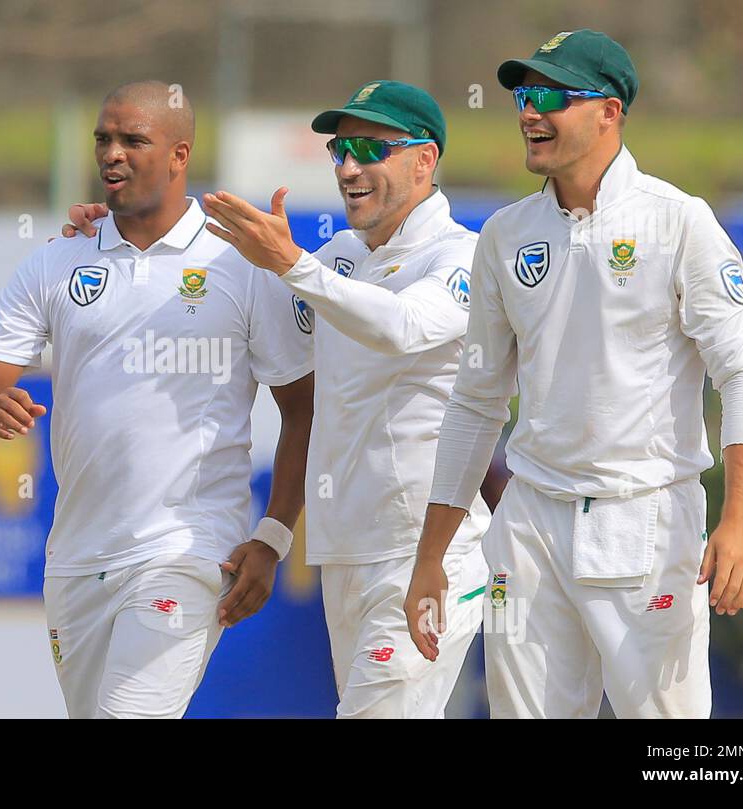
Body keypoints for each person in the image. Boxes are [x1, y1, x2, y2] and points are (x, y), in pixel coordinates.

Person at [66, 81, 491, 718]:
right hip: (344, 554)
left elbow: (401, 327)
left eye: (371, 149)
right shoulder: (340, 257)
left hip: (428, 556)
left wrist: (291, 263)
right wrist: (117, 226)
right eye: (340, 149)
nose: (349, 166)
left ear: (424, 160)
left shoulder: (461, 256)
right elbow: (248, 309)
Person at [406, 30, 743, 718]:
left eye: (549, 97)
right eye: (522, 95)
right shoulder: (506, 235)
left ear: (610, 112)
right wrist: (432, 555)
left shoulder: (680, 222)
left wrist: (741, 521)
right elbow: (476, 402)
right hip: (531, 521)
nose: (528, 112)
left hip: (649, 520)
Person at [0, 81, 314, 719]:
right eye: (103, 139)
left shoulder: (240, 262)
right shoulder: (56, 262)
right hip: (77, 556)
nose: (112, 154)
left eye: (133, 140)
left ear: (180, 155)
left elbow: (304, 410)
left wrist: (275, 535)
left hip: (188, 548)